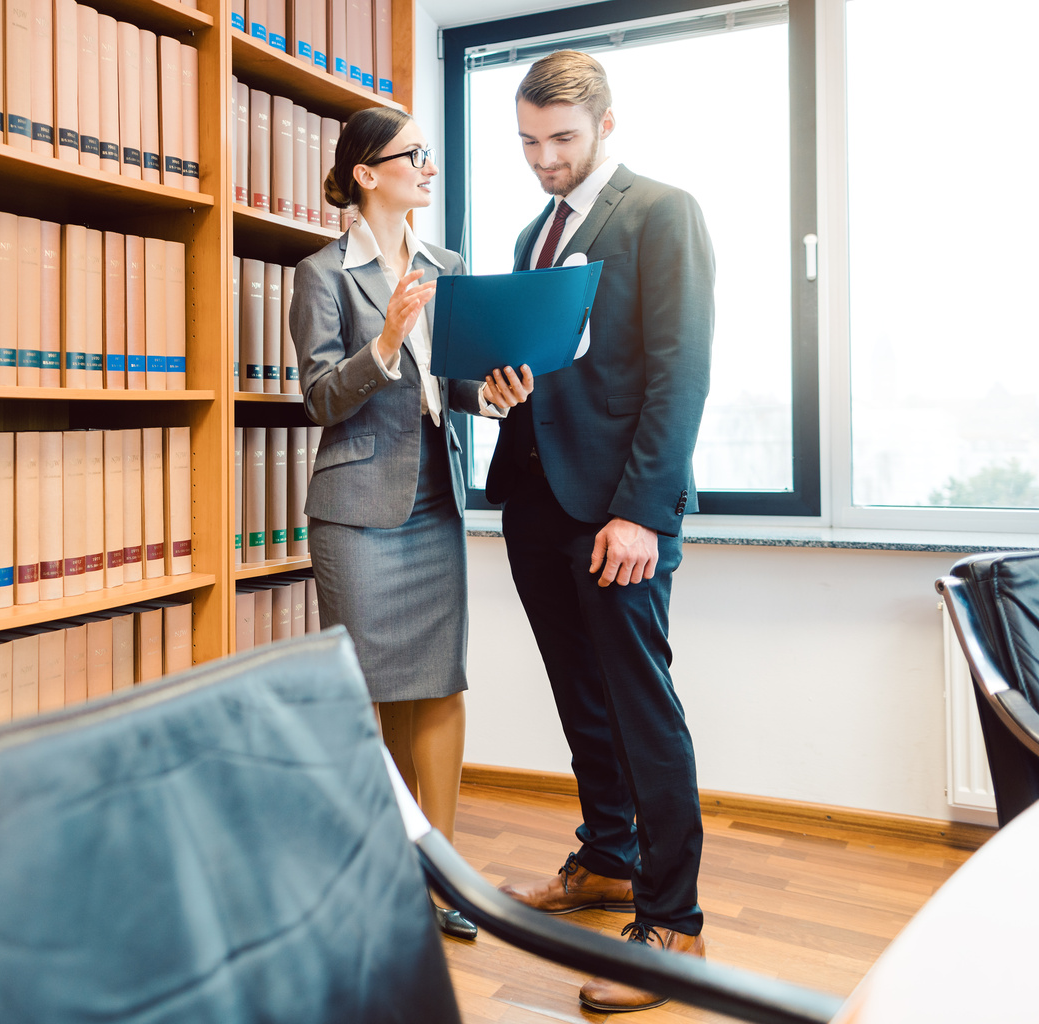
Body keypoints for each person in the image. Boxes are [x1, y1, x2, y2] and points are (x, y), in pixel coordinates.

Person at [484, 50, 715, 1013]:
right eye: (530, 143)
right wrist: (497, 388)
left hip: (618, 508)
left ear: (607, 127)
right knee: (580, 695)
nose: (545, 161)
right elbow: (542, 368)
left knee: (639, 705)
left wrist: (642, 512)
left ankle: (674, 925)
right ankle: (610, 859)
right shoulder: (534, 230)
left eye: (563, 141)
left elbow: (679, 369)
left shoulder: (662, 213)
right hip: (536, 497)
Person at [290, 106, 531, 942]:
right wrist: (387, 339)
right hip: (356, 510)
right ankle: (391, 878)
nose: (428, 167)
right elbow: (320, 396)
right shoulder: (322, 273)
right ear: (366, 172)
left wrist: (489, 395)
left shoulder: (447, 263)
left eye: (428, 154)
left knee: (438, 684)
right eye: (413, 156)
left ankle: (449, 882)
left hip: (434, 499)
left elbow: (451, 383)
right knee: (374, 695)